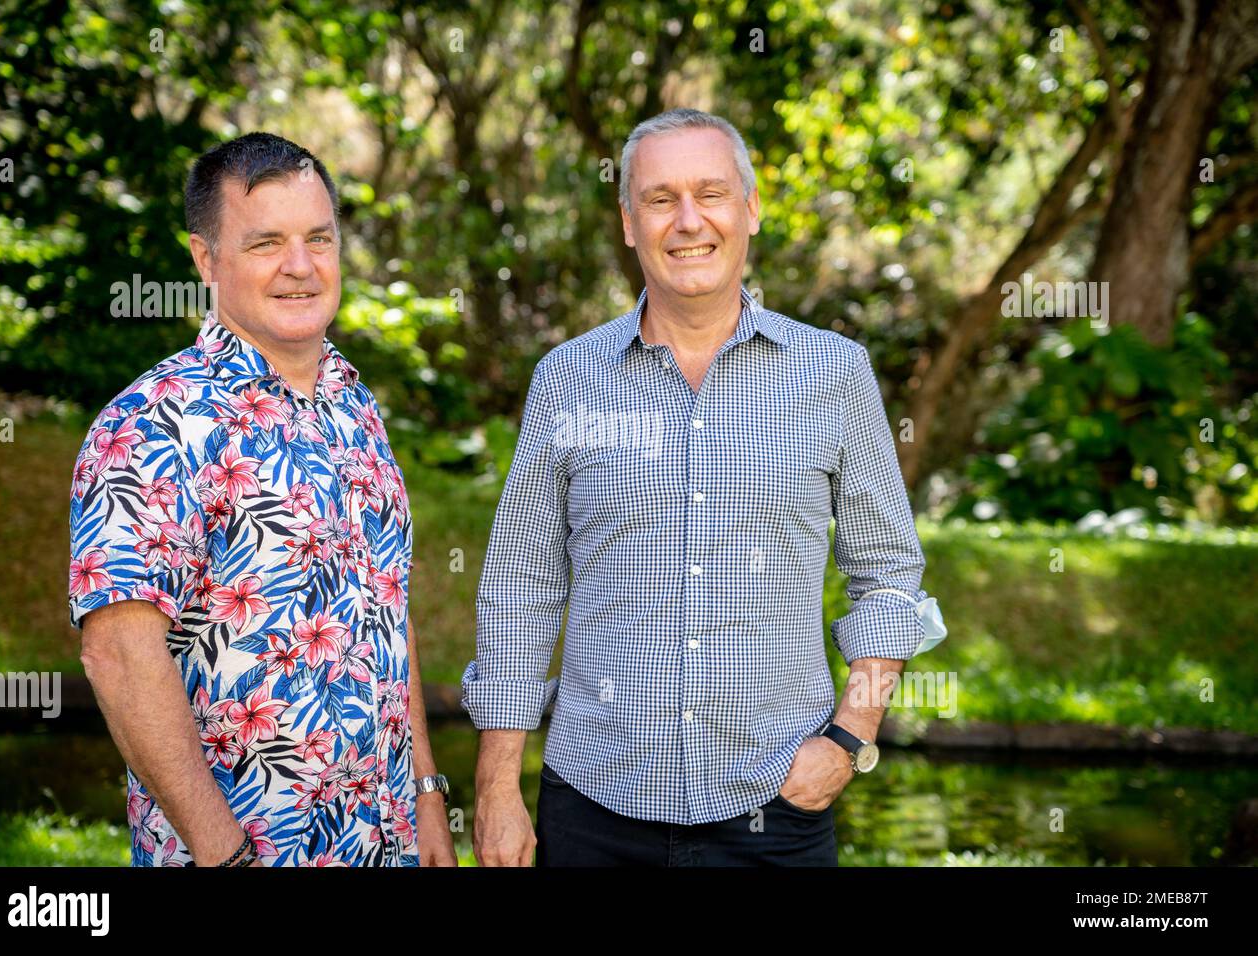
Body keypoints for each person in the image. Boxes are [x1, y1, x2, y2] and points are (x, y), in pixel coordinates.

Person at [462, 108, 946, 866]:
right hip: (592, 810)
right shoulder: (566, 380)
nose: (689, 221)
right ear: (629, 223)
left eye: (711, 193)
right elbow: (521, 586)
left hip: (775, 814)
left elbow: (888, 574)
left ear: (750, 209)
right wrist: (495, 790)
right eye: (660, 199)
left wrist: (851, 737)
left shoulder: (836, 374)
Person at [68, 132, 455, 867]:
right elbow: (118, 654)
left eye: (319, 238)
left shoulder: (355, 406)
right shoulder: (155, 422)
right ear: (205, 260)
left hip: (387, 845)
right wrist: (224, 857)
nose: (301, 267)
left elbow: (386, 616)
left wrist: (428, 794)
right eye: (266, 243)